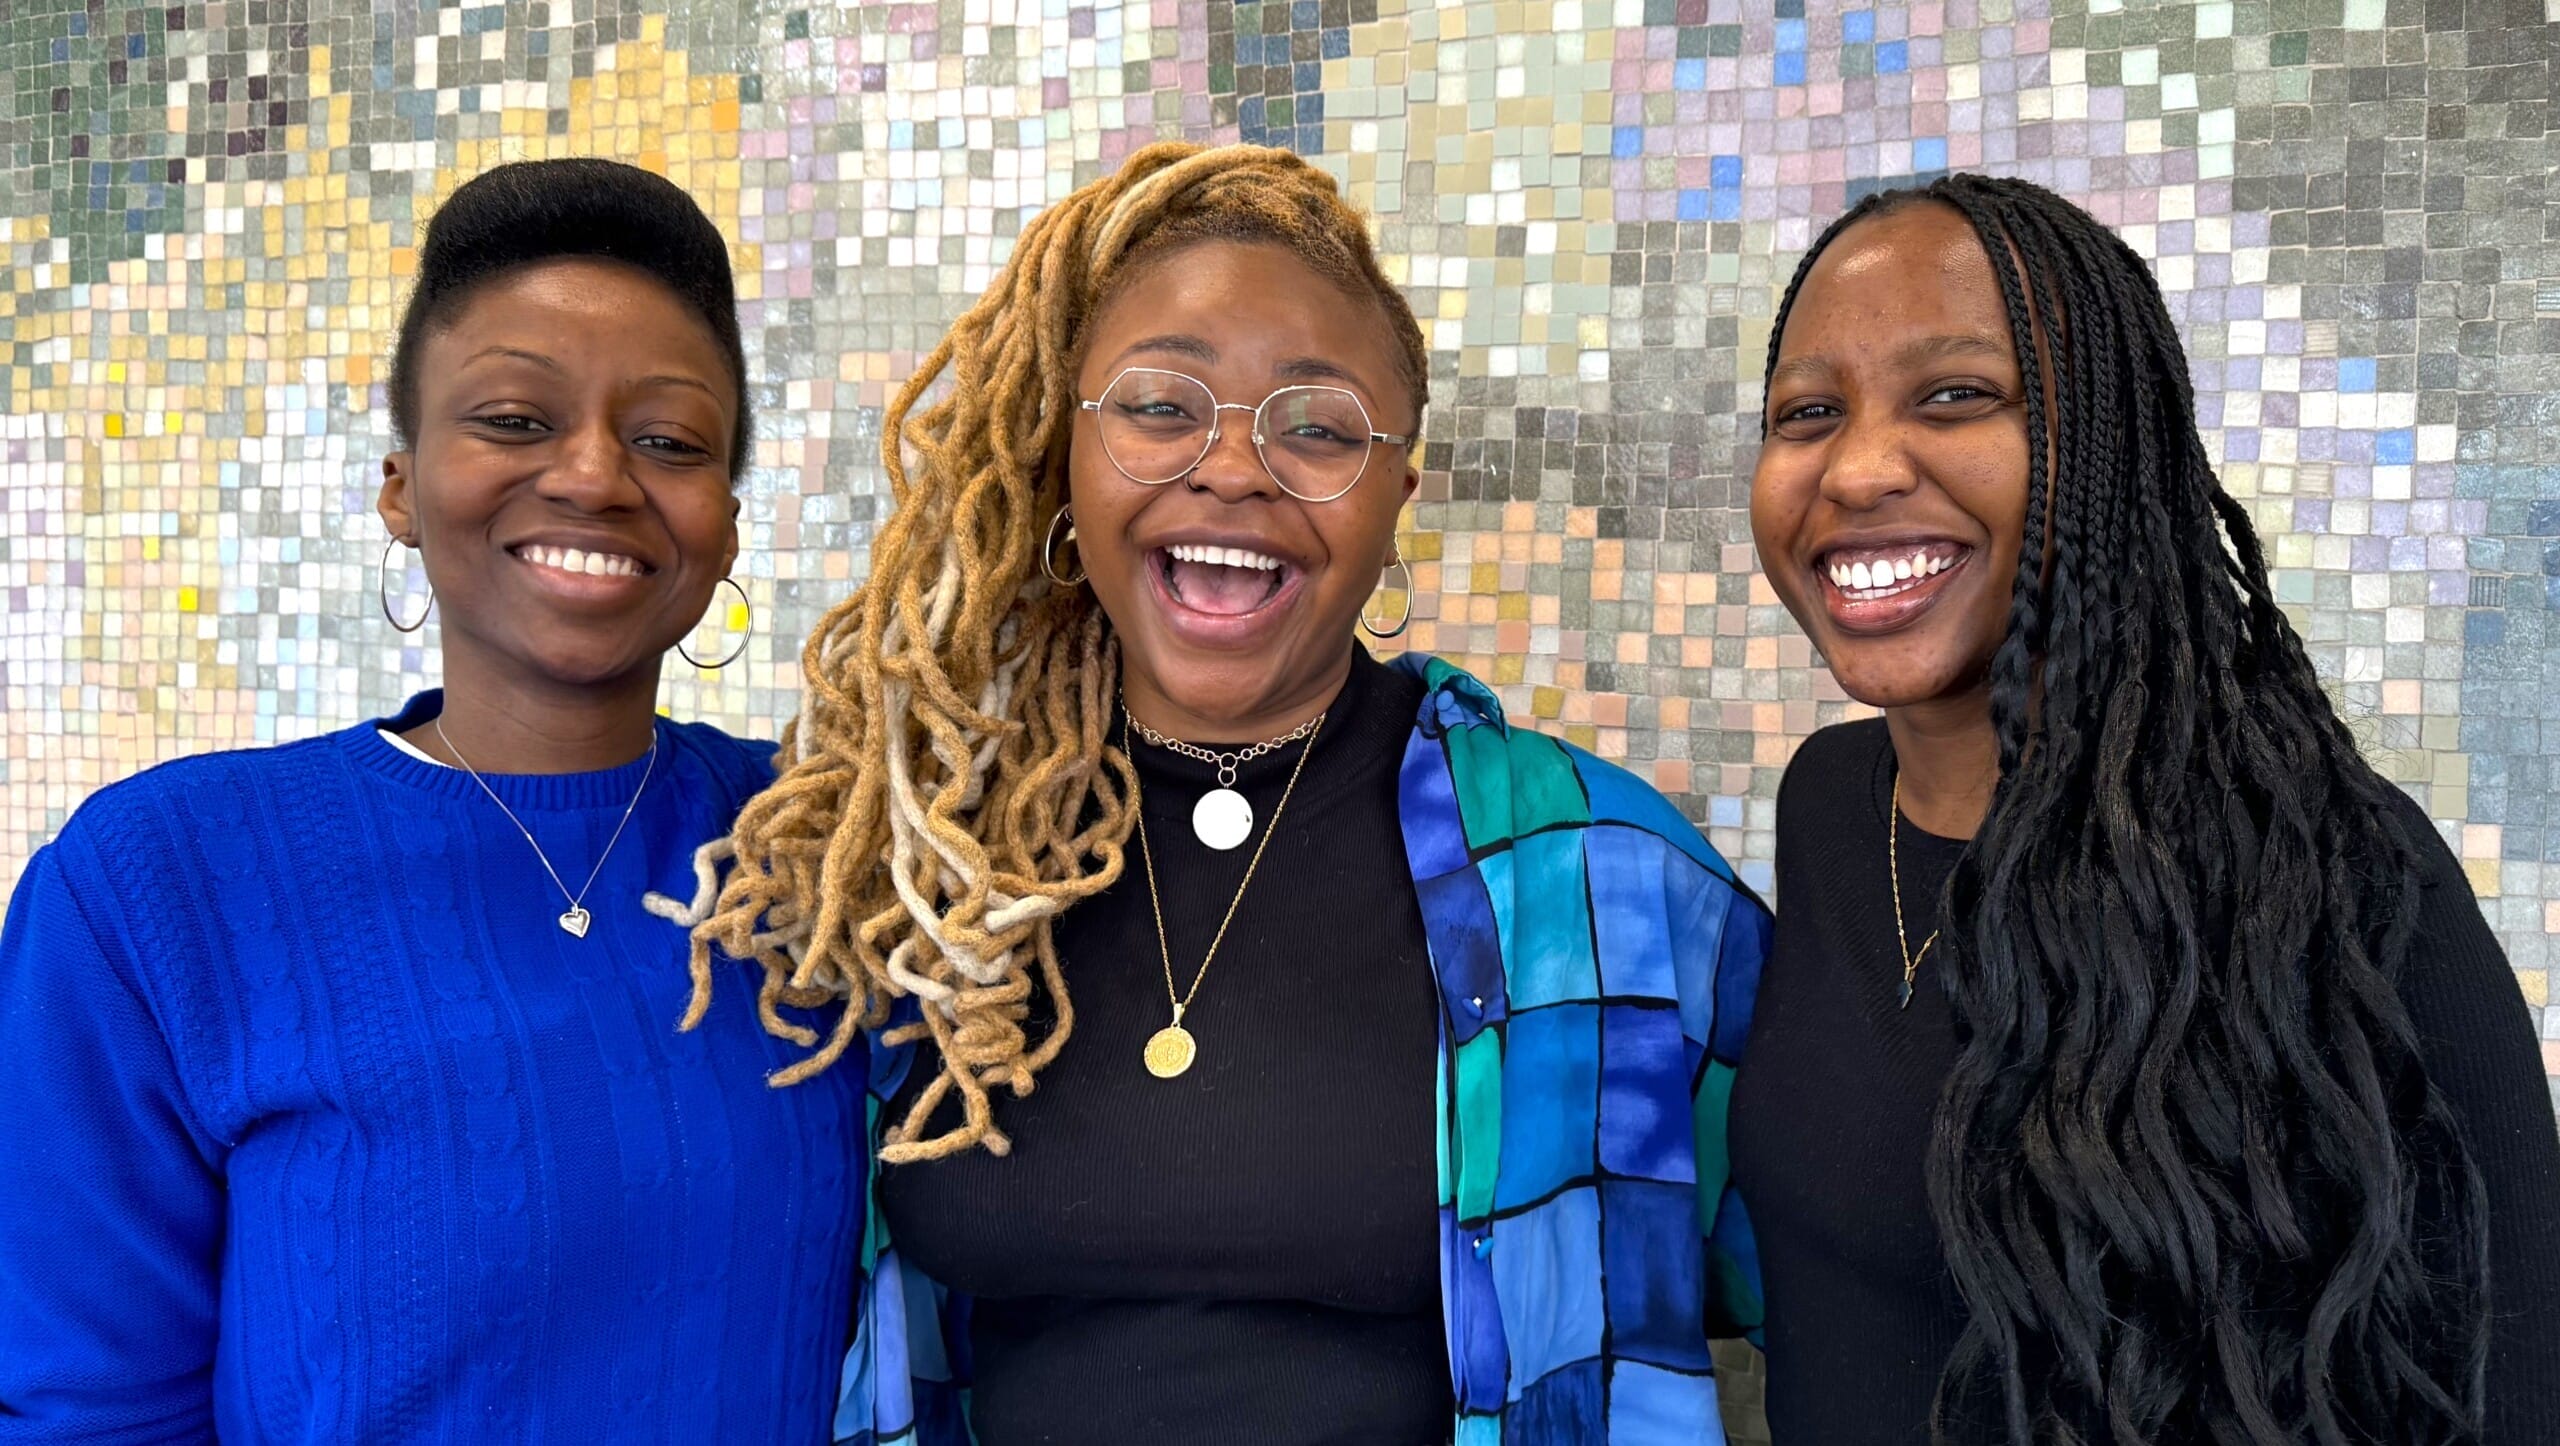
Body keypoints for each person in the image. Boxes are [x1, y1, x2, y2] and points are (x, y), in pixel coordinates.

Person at [660, 141, 1770, 1445]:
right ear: (1063, 458)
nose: (1234, 466)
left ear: (1397, 497)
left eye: (1317, 427)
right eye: (1158, 406)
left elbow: (1824, 1267)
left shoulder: (1602, 877)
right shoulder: (929, 867)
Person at [0, 158, 865, 1441]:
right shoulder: (156, 883)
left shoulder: (831, 848)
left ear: (725, 525)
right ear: (401, 485)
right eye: (514, 419)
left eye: (668, 441)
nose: (593, 475)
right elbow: (89, 1407)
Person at [1729, 173, 2560, 1444]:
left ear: (2109, 444)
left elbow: (2512, 1375)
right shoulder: (1827, 804)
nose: (1857, 468)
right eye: (1807, 414)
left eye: (1955, 395)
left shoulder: (2326, 864)